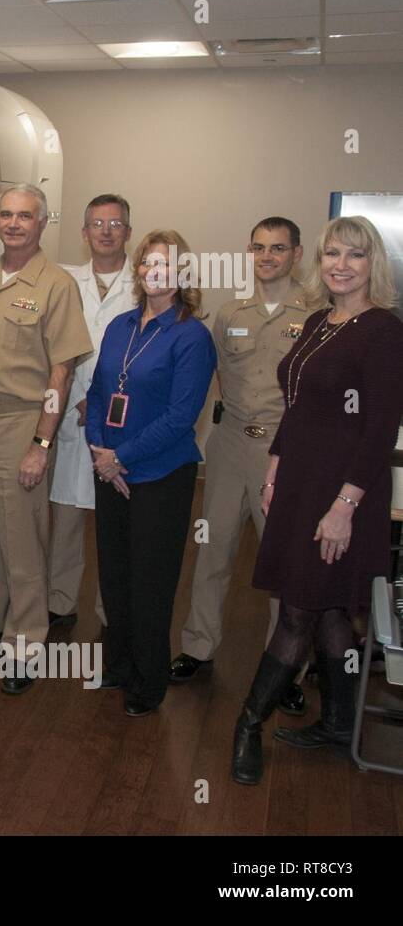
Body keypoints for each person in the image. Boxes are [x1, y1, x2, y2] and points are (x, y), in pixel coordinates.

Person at [233, 216, 403, 784]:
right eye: (332, 253)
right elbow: (297, 407)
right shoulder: (320, 322)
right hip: (302, 483)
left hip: (345, 490)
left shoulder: (382, 329)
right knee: (330, 604)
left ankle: (247, 725)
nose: (341, 264)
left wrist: (343, 507)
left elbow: (379, 429)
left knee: (299, 608)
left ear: (371, 264)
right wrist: (276, 468)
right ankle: (337, 723)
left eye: (354, 255)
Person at [0, 184, 92, 694]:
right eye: (5, 215)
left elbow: (62, 372)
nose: (14, 224)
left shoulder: (56, 285)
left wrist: (41, 444)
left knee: (22, 537)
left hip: (19, 424)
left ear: (42, 223)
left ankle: (28, 639)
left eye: (24, 216)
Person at [173, 217, 312, 719]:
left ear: (298, 253)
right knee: (212, 547)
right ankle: (198, 646)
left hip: (287, 450)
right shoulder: (230, 311)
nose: (268, 256)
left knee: (282, 563)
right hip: (230, 443)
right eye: (259, 247)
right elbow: (201, 379)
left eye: (278, 248)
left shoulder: (316, 314)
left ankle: (287, 670)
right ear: (249, 252)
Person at [86, 230, 216, 716]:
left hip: (160, 474)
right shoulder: (120, 325)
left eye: (168, 264)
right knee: (115, 574)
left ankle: (148, 678)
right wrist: (100, 448)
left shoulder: (191, 336)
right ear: (139, 270)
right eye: (148, 263)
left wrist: (122, 458)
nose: (155, 271)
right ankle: (117, 665)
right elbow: (99, 392)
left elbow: (182, 416)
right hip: (110, 469)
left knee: (151, 580)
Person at [48, 195, 137, 629]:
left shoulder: (144, 285)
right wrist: (82, 398)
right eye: (97, 223)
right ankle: (59, 605)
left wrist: (101, 404)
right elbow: (53, 344)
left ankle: (110, 613)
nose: (105, 231)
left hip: (122, 420)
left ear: (128, 232)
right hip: (71, 409)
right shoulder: (63, 280)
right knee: (65, 520)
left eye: (115, 223)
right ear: (84, 232)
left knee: (114, 527)